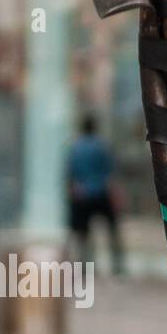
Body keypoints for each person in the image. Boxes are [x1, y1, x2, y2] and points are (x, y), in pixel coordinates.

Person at [66, 114, 123, 274]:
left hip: (83, 195)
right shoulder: (102, 146)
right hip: (102, 193)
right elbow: (110, 171)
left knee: (83, 234)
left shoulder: (76, 148)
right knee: (112, 230)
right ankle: (117, 266)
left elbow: (70, 173)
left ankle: (86, 266)